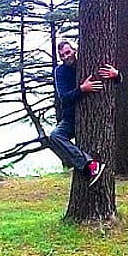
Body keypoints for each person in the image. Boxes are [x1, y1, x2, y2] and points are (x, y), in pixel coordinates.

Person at [49, 39, 118, 185]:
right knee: (55, 136)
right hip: (71, 117)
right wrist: (82, 89)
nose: (66, 57)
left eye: (67, 52)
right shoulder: (60, 72)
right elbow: (64, 97)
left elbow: (112, 81)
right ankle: (89, 164)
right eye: (62, 55)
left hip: (96, 115)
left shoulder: (87, 62)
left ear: (74, 50)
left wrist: (117, 75)